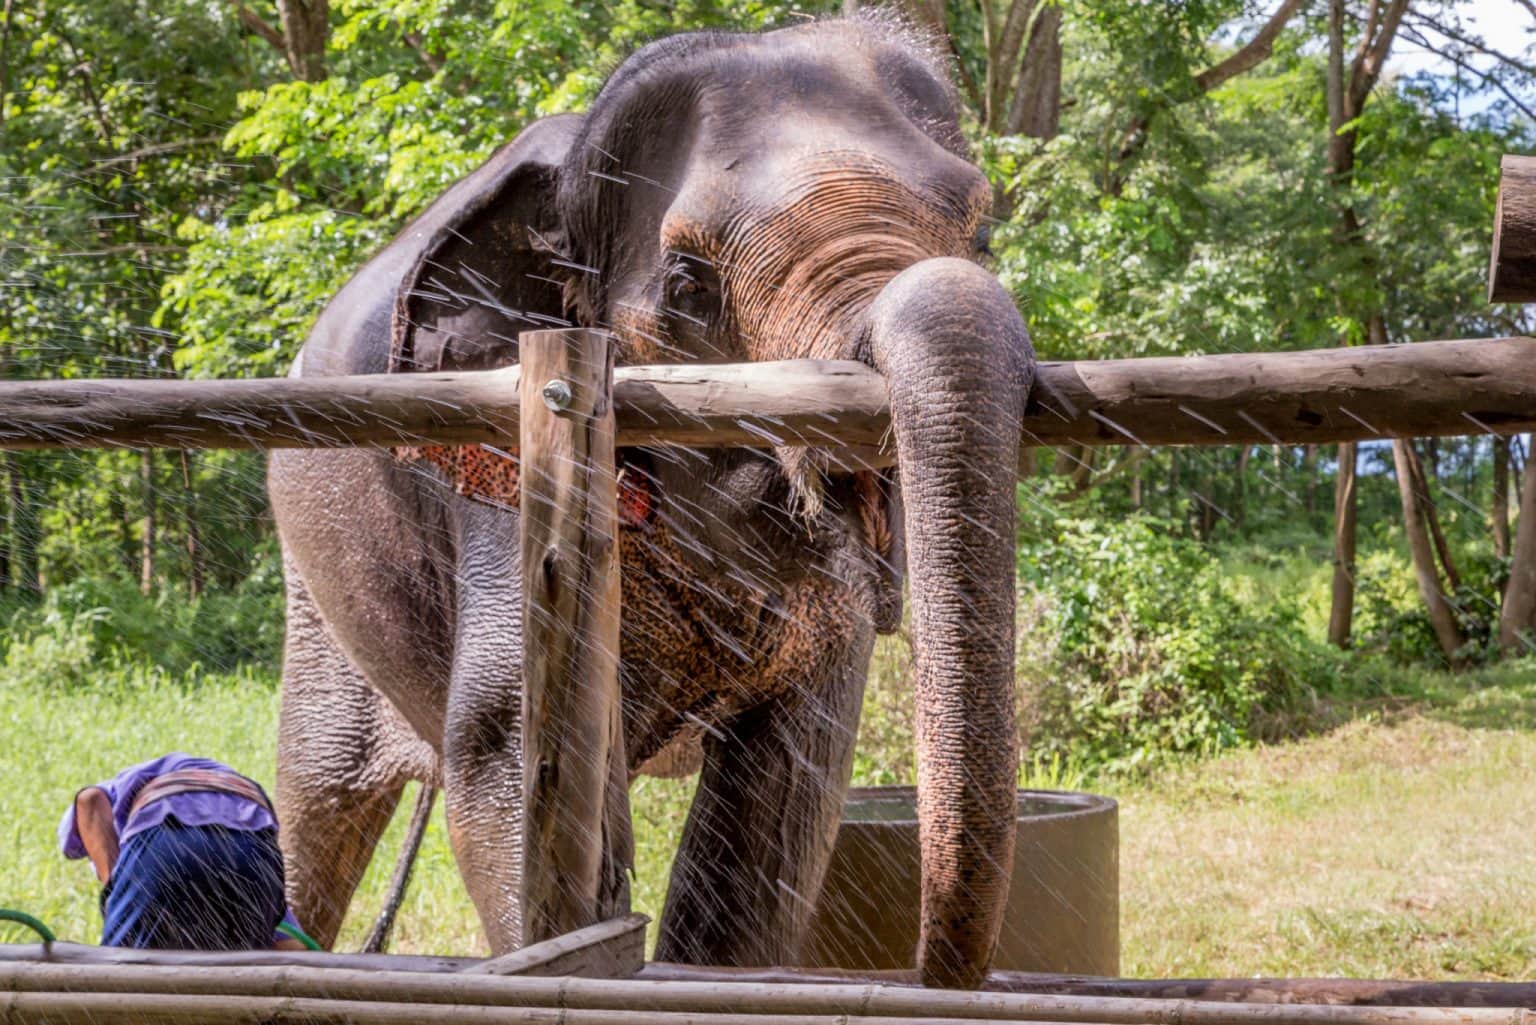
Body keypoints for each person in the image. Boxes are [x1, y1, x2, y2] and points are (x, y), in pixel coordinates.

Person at [59, 752, 305, 951]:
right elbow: (289, 947)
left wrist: (116, 894)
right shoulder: (227, 793)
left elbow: (89, 800)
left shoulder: (121, 790)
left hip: (167, 836)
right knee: (247, 967)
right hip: (254, 849)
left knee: (120, 969)